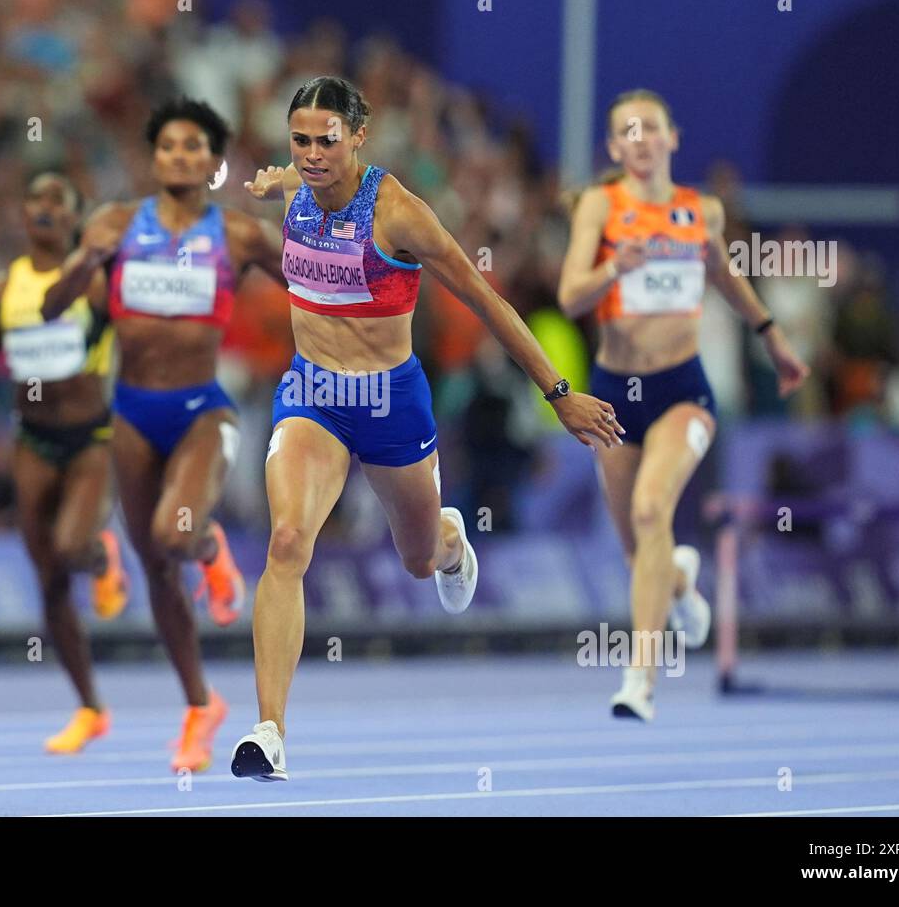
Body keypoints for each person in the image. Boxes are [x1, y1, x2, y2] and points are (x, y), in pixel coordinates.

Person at [229, 76, 623, 781]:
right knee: (287, 541)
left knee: (416, 558)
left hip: (391, 404)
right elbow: (293, 176)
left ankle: (448, 543)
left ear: (358, 138)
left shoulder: (401, 215)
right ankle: (270, 730)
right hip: (311, 395)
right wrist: (271, 178)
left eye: (328, 140)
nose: (313, 155)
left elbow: (484, 298)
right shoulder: (296, 185)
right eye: (300, 141)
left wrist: (559, 391)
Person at [43, 98, 286, 772]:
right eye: (168, 147)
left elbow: (319, 292)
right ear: (152, 159)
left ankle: (210, 549)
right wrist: (84, 263)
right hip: (132, 414)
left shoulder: (240, 235)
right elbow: (53, 306)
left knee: (172, 535)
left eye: (194, 148)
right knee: (153, 566)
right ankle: (200, 705)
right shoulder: (115, 225)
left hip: (203, 410)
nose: (180, 157)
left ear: (213, 162)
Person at [558, 89, 809, 721]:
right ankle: (678, 580)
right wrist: (616, 265)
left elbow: (725, 276)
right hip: (614, 395)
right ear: (615, 148)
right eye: (626, 132)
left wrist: (773, 339)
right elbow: (569, 298)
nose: (640, 139)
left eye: (651, 128)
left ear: (672, 138)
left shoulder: (703, 212)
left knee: (650, 511)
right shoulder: (600, 205)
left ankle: (639, 678)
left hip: (683, 392)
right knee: (638, 548)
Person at [0, 173, 126, 754]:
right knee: (51, 584)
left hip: (91, 440)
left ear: (76, 214)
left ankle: (100, 553)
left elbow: (137, 341)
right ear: (23, 213)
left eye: (58, 199)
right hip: (32, 440)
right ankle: (89, 708)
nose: (45, 207)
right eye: (35, 197)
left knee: (68, 547)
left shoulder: (94, 282)